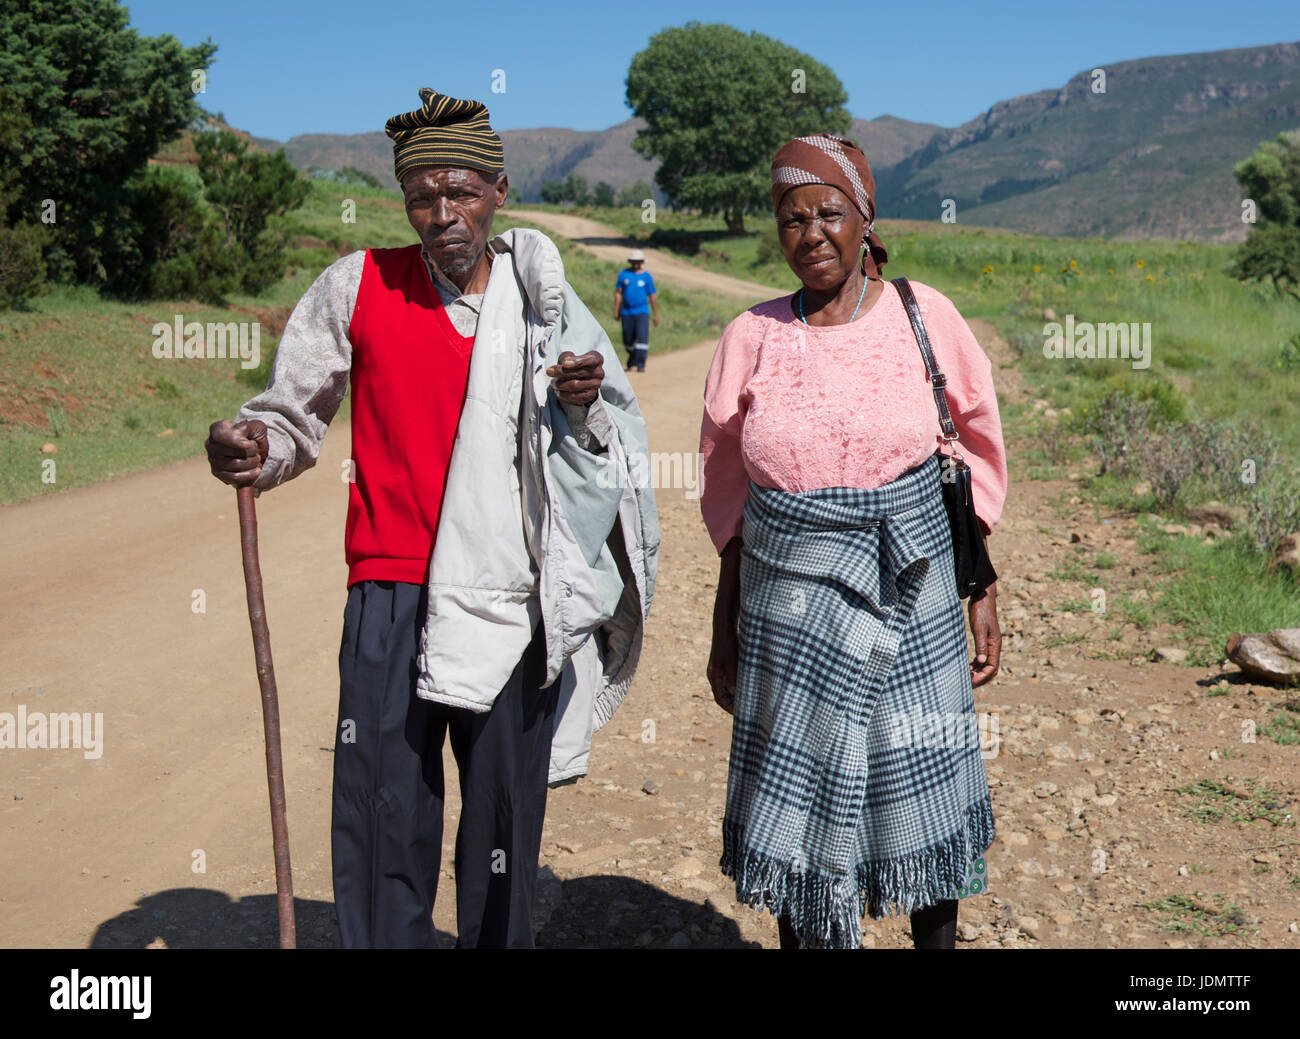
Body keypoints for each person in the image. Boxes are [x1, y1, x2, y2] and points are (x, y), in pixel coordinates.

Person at [204, 89, 659, 949]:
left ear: (497, 189)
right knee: (382, 806)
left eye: (460, 193)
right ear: (404, 200)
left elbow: (605, 440)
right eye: (422, 197)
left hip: (511, 596)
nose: (442, 214)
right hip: (390, 590)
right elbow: (292, 415)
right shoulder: (359, 283)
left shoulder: (542, 300)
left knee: (502, 817)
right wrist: (250, 445)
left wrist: (579, 403)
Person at [698, 133, 1007, 950]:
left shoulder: (923, 315)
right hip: (788, 609)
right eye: (791, 218)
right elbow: (729, 495)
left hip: (917, 593)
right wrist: (723, 620)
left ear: (864, 217)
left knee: (925, 801)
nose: (811, 235)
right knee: (805, 822)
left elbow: (970, 446)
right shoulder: (751, 337)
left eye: (829, 213)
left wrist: (983, 589)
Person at [614, 249, 658, 372]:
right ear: (630, 261)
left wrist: (655, 315)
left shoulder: (646, 277)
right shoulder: (623, 274)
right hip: (626, 312)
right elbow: (618, 293)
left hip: (642, 311)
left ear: (642, 262)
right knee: (628, 339)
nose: (636, 263)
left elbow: (652, 296)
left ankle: (640, 364)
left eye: (638, 261)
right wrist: (616, 310)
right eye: (634, 261)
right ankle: (632, 357)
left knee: (641, 338)